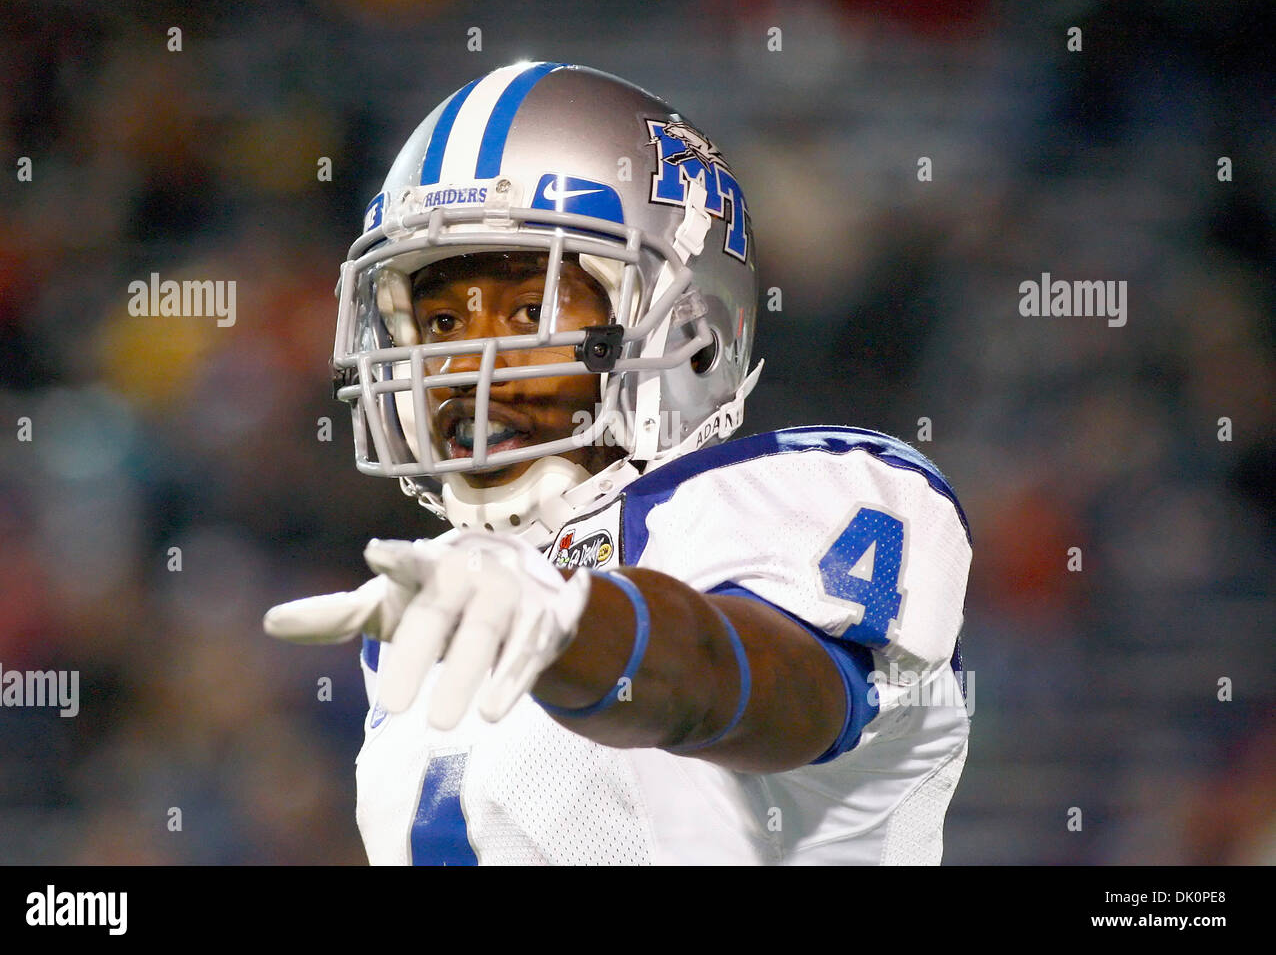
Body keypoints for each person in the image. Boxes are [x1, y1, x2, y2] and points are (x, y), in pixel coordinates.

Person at [264, 61, 972, 865]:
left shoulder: (815, 497)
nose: (461, 365)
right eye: (437, 320)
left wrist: (572, 627)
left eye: (530, 310)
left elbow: (721, 677)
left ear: (688, 330)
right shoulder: (434, 599)